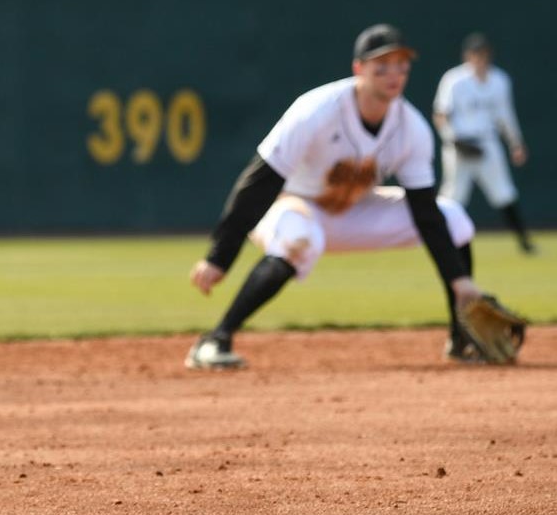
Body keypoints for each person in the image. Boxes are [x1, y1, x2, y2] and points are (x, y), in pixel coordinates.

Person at [186, 24, 492, 369]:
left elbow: (425, 212)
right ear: (358, 68)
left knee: (452, 217)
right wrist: (220, 257)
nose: (394, 74)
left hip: (354, 212)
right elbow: (259, 182)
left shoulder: (411, 129)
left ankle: (461, 337)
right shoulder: (316, 110)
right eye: (382, 66)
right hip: (290, 205)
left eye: (401, 65)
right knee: (301, 238)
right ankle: (216, 340)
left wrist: (459, 281)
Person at [433, 32, 534, 254]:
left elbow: (506, 116)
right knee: (452, 197)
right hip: (459, 146)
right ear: (467, 56)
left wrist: (516, 143)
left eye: (484, 54)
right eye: (475, 54)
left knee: (504, 192)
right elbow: (441, 114)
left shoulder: (500, 80)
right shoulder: (454, 79)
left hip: (487, 143)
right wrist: (452, 139)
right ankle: (440, 241)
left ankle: (525, 242)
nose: (480, 59)